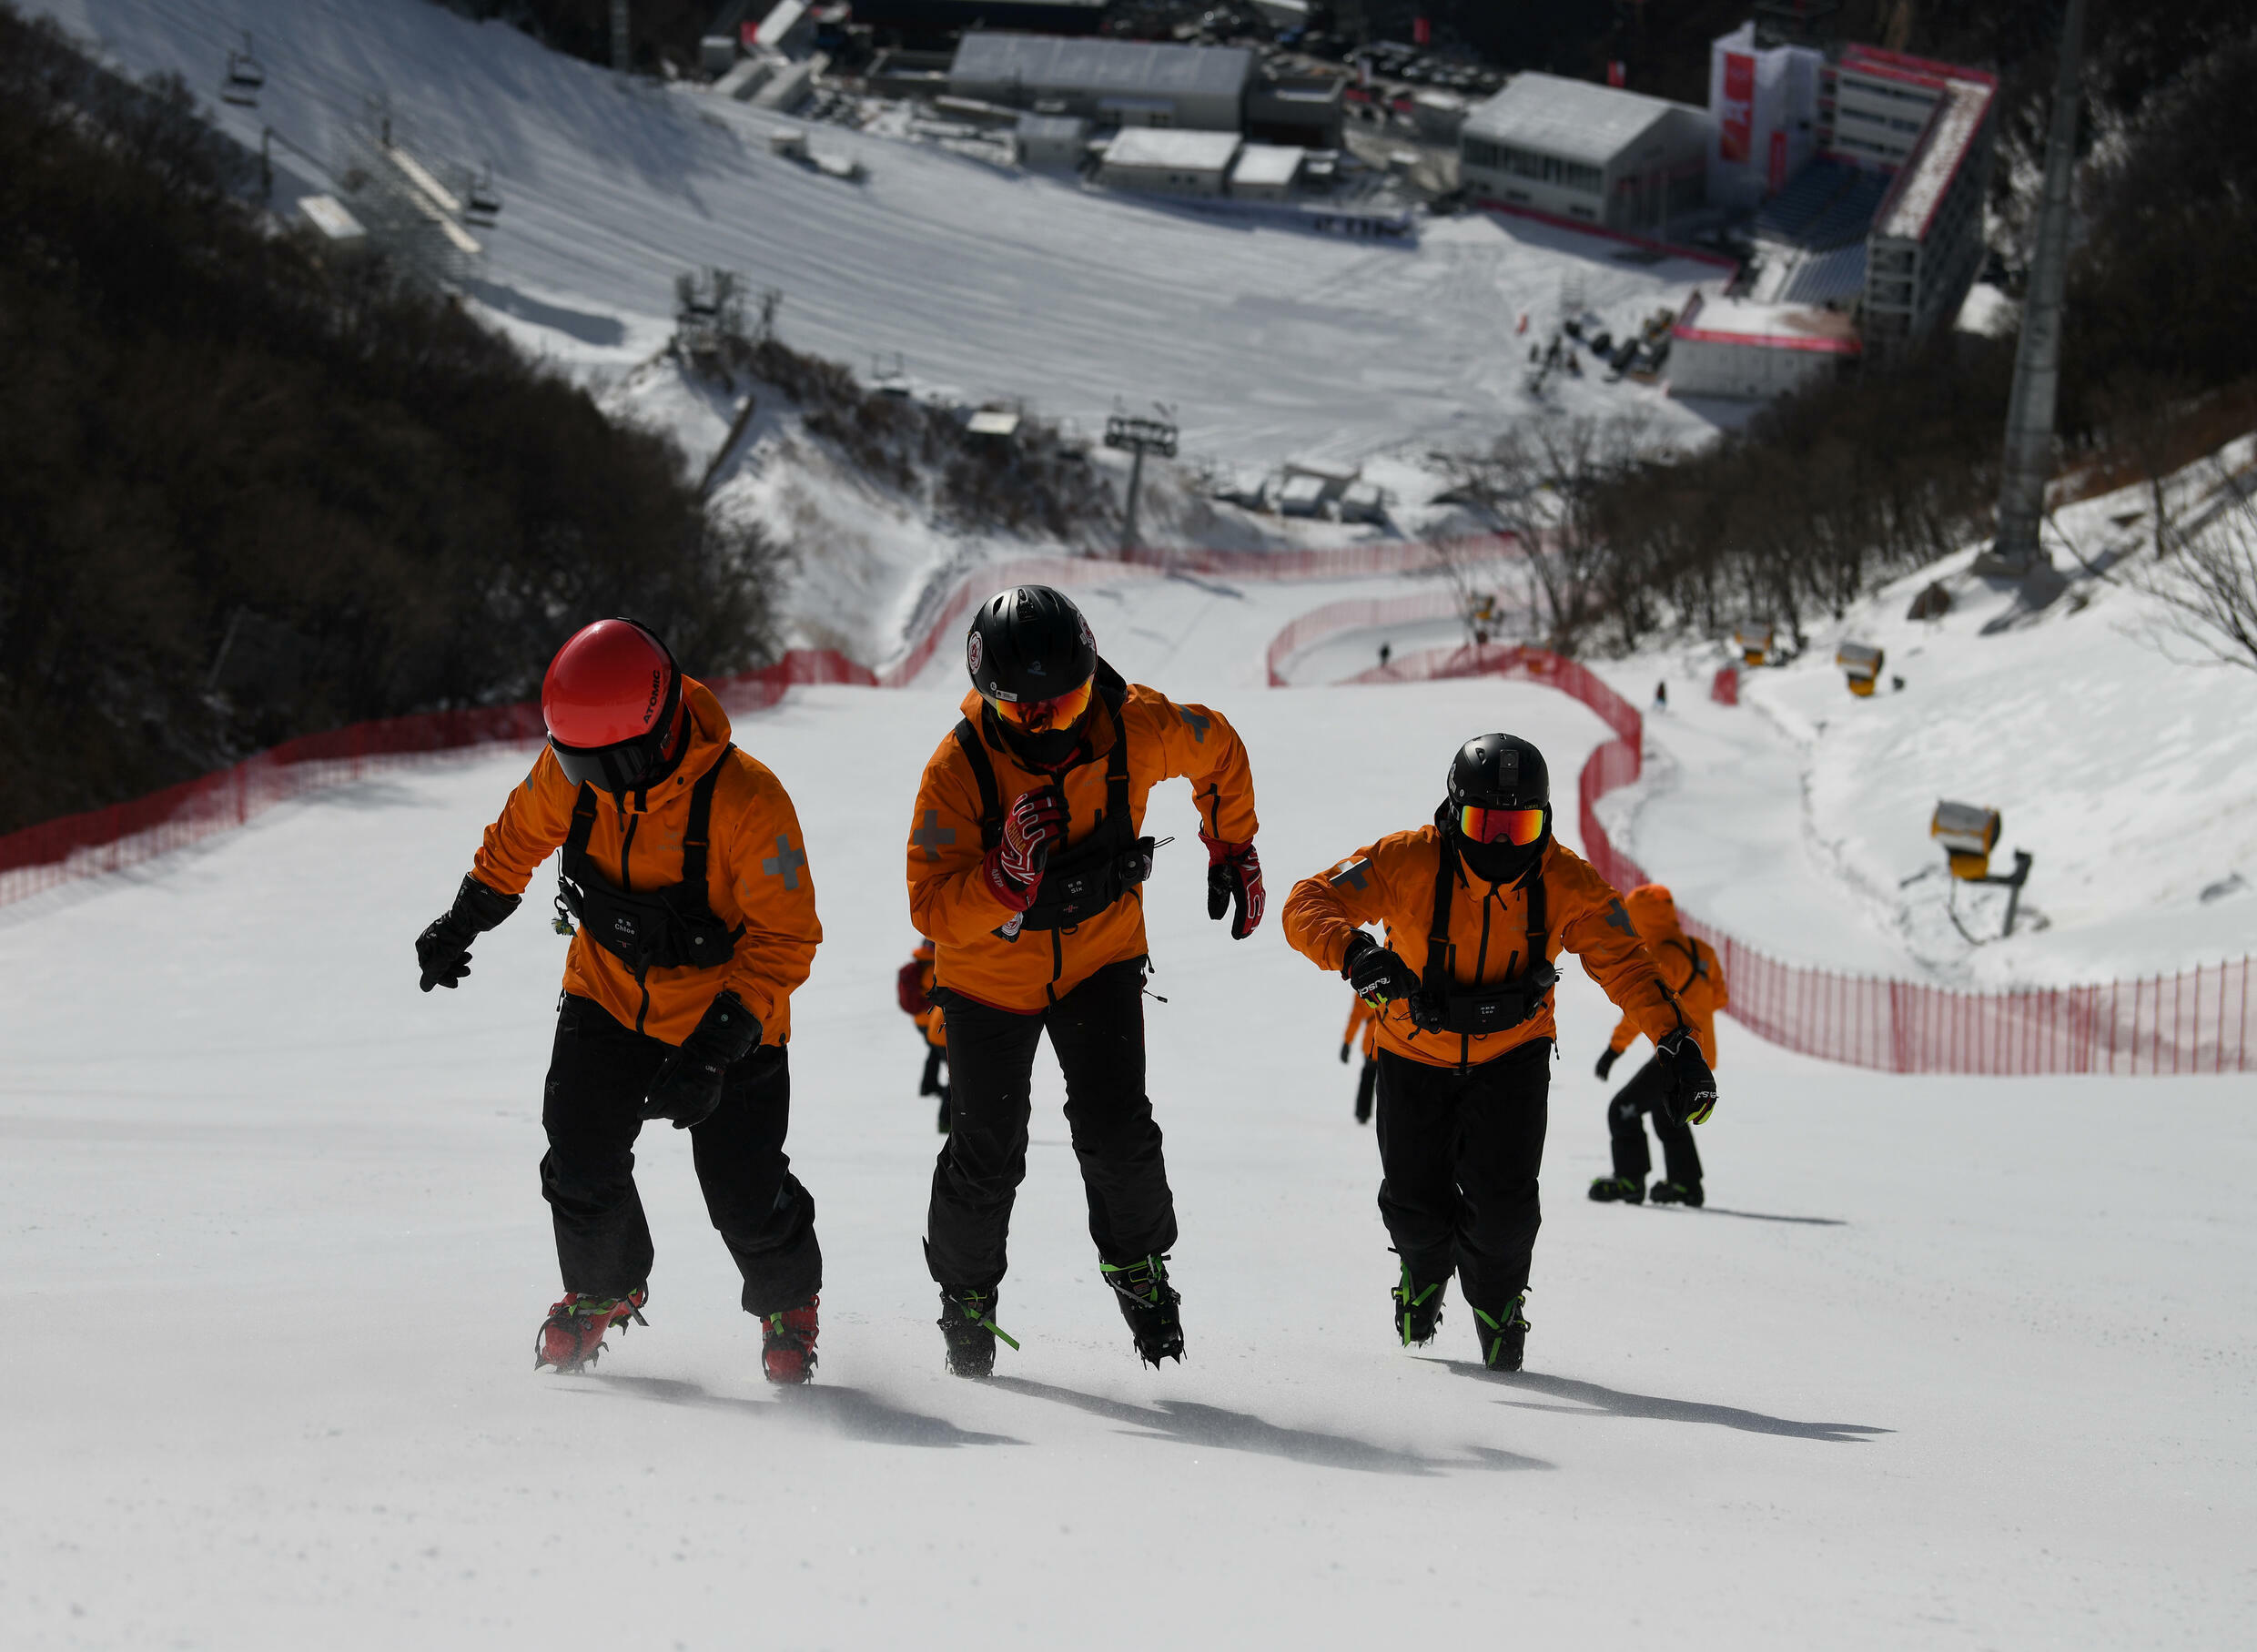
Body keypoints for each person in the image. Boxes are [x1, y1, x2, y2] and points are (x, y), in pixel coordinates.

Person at [413, 618, 825, 1384]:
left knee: (742, 1190)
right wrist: (461, 920)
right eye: (579, 765)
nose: (591, 782)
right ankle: (604, 1284)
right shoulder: (578, 773)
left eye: (610, 767)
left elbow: (787, 936)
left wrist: (710, 1052)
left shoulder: (748, 799)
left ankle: (787, 1301)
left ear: (659, 731)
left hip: (727, 1015)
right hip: (605, 992)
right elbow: (516, 837)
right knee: (577, 1160)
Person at [906, 585, 1262, 1377]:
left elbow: (1221, 747)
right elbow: (929, 905)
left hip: (1099, 957)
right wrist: (999, 880)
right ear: (991, 701)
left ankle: (1138, 1265)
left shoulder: (1136, 726)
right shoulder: (956, 768)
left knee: (1118, 1129)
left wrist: (1230, 843)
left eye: (1064, 705)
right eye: (1026, 714)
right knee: (986, 1153)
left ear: (1092, 677)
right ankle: (966, 1294)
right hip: (988, 980)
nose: (1050, 728)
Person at [1280, 734, 1716, 1373]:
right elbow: (1306, 901)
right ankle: (1423, 1273)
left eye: (1522, 824)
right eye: (1488, 823)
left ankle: (1497, 1300)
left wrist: (1677, 1041)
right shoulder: (1407, 859)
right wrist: (1354, 951)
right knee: (1414, 1208)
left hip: (1513, 1055)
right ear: (1455, 813)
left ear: (1545, 821)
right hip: (1411, 1053)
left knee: (1506, 1213)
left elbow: (1626, 962)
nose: (1503, 844)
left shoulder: (1566, 879)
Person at [1590, 884, 1728, 1207]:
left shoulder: (1662, 958)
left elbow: (1646, 1007)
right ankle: (1686, 1185)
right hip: (1702, 1053)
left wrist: (1614, 1050)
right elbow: (1720, 998)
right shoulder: (1703, 952)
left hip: (1678, 1051)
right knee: (1670, 1111)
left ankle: (1629, 1180)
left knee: (1622, 1109)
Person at [898, 937, 952, 1132]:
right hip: (933, 1023)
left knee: (934, 1055)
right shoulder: (933, 967)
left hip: (925, 1022)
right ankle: (945, 1119)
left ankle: (928, 1086)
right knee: (954, 1075)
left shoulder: (921, 963)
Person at [1340, 992, 1380, 1125]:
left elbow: (1355, 1018)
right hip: (1394, 1046)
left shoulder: (1363, 987)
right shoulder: (1396, 979)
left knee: (1368, 1077)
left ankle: (1362, 1112)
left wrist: (1347, 1042)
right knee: (1392, 1083)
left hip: (1372, 1044)